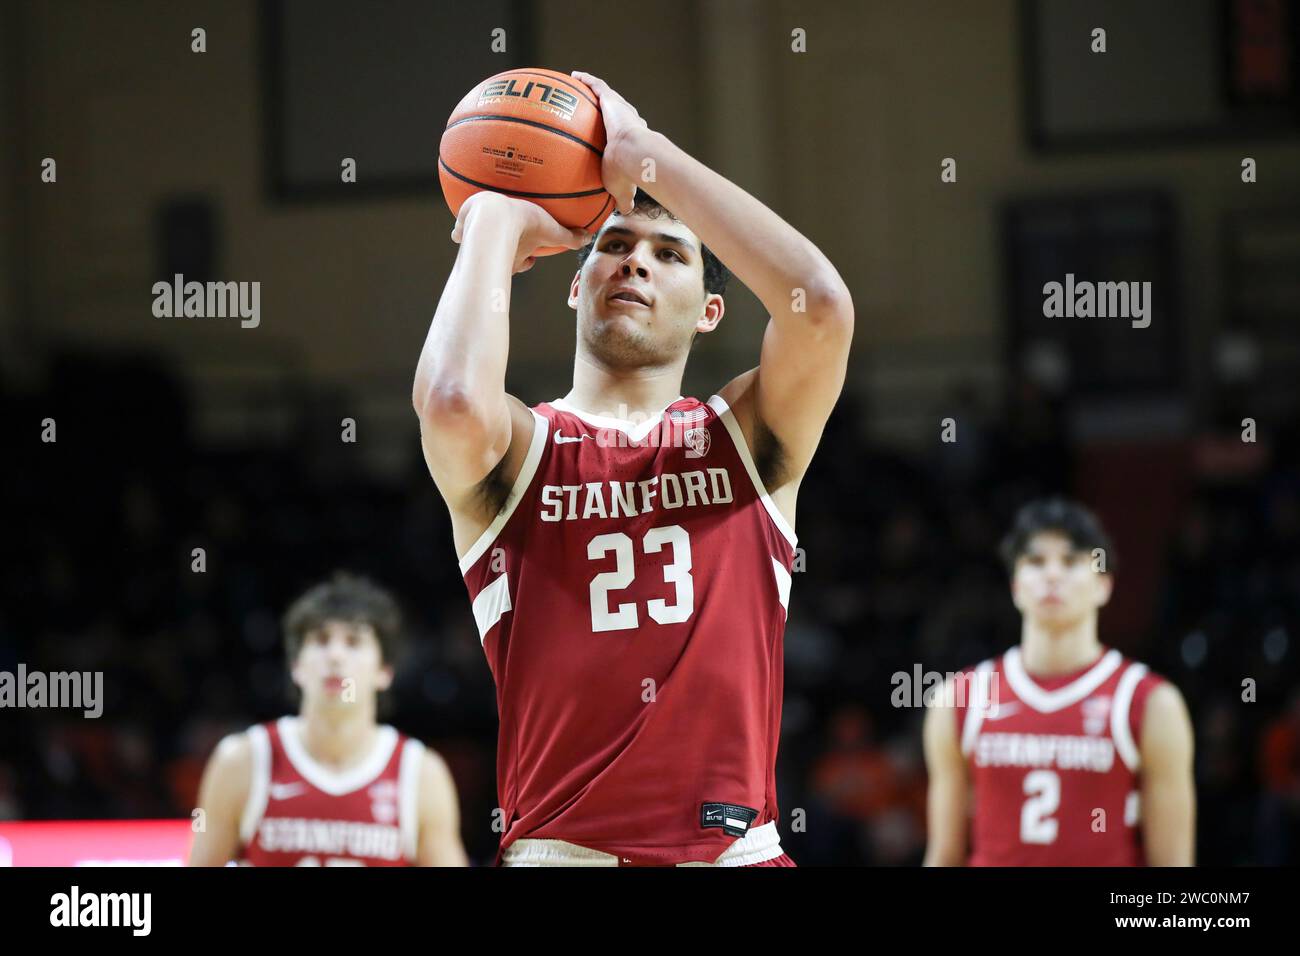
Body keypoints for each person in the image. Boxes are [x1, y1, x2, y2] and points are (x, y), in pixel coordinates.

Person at [412, 70, 853, 866]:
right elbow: (448, 403)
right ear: (576, 283)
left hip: (735, 854)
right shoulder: (521, 451)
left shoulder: (747, 440)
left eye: (669, 253)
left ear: (710, 310)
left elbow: (818, 305)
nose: (635, 263)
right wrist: (493, 218)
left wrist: (647, 157)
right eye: (613, 245)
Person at [923, 498, 1195, 865]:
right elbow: (943, 856)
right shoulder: (959, 698)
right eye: (1035, 562)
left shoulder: (1150, 703)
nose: (1052, 575)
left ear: (1104, 585)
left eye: (1071, 561)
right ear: (1016, 586)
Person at [188, 572, 466, 866]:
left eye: (353, 642)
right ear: (296, 665)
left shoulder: (421, 774)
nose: (335, 656)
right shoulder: (242, 761)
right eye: (321, 640)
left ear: (385, 670)